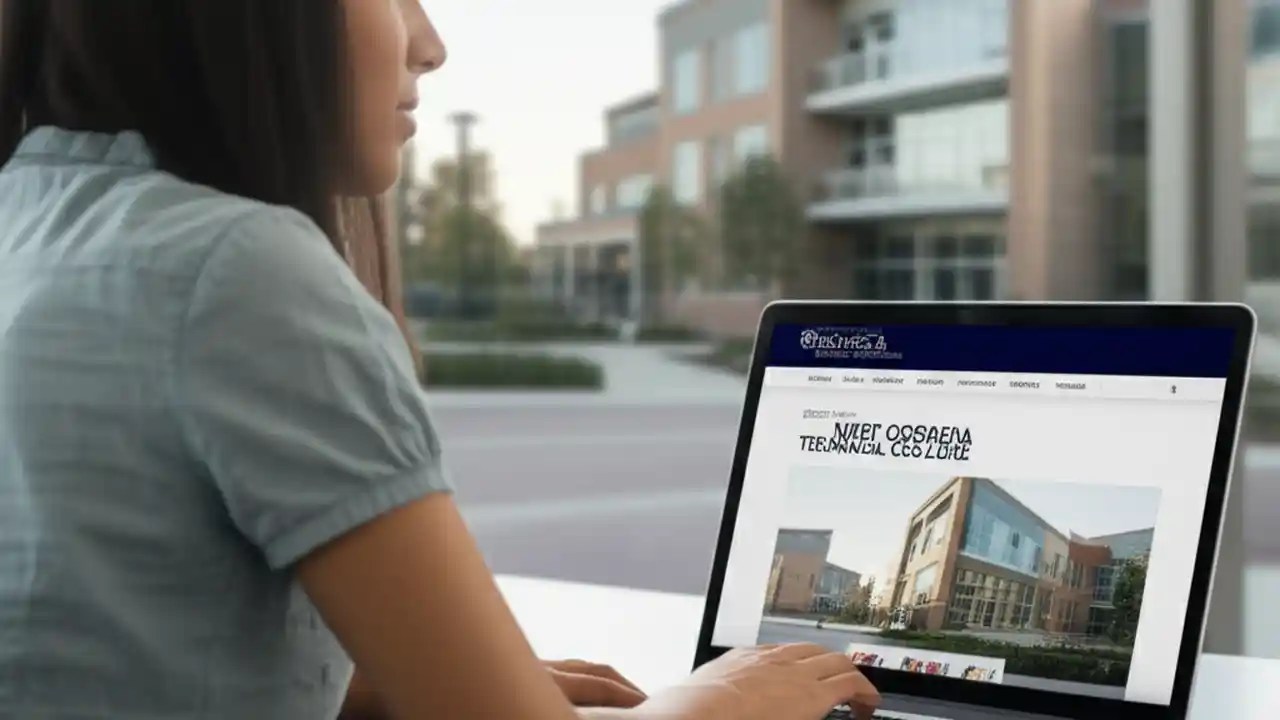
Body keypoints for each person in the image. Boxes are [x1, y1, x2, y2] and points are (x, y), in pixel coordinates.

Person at [0, 1, 882, 718]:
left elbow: (90, 640)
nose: (431, 44)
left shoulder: (28, 221)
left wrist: (376, 686)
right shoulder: (237, 267)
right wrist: (722, 703)